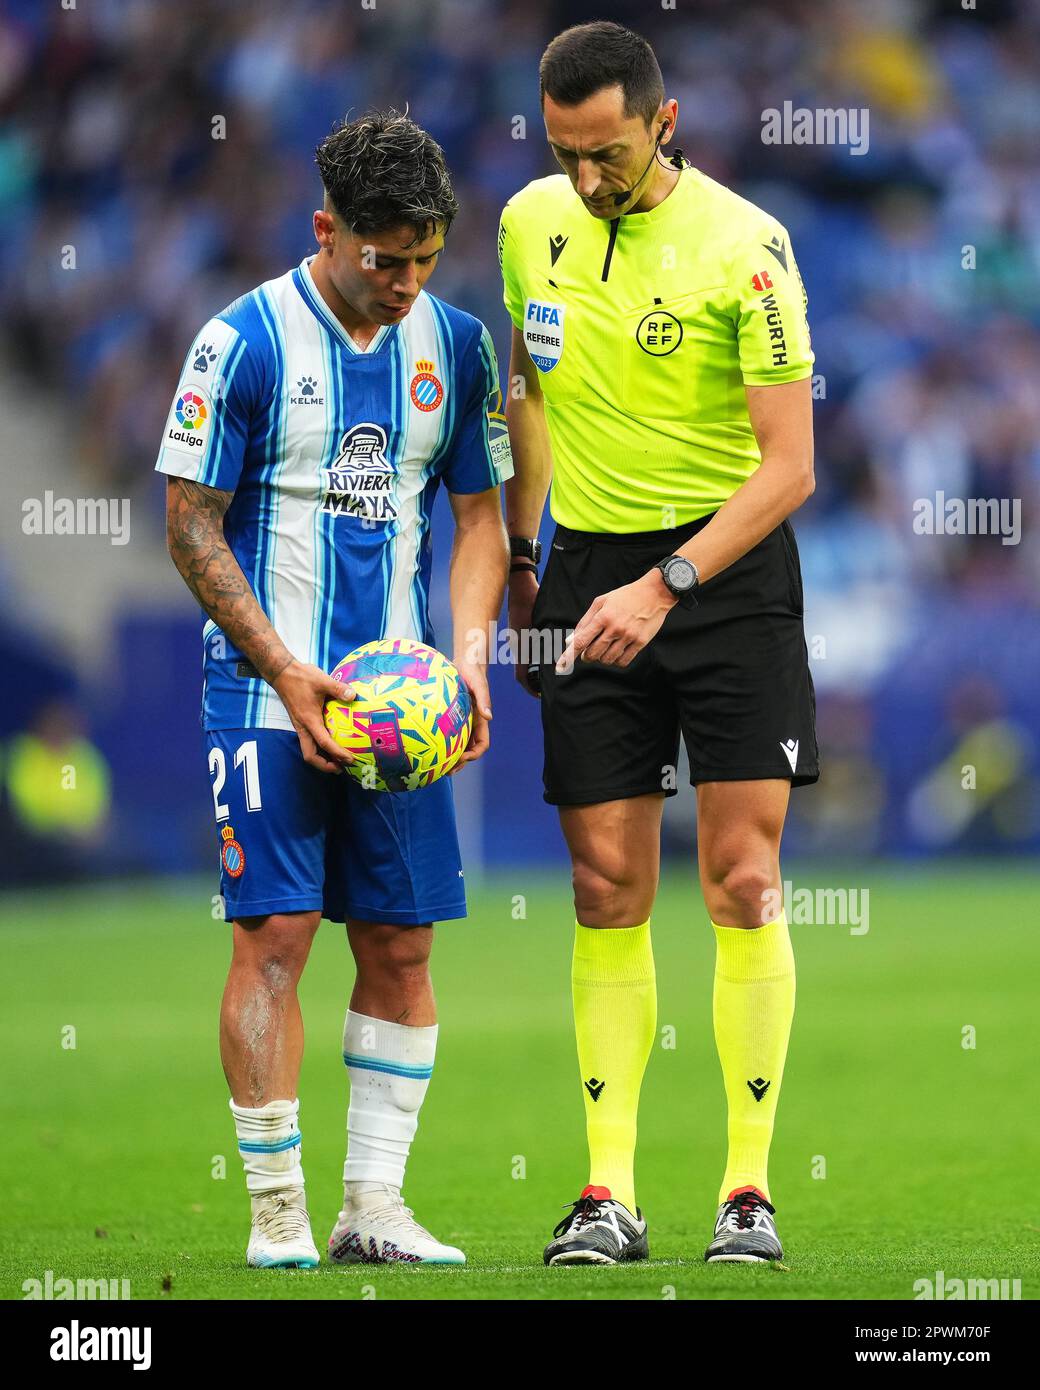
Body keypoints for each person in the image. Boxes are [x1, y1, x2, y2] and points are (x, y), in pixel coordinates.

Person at [157, 110, 510, 1268]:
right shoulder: (241, 341)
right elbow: (190, 527)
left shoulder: (455, 347)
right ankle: (276, 1219)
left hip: (400, 709)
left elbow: (476, 521)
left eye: (424, 256)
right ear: (326, 229)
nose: (407, 280)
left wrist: (464, 657)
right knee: (274, 933)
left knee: (402, 947)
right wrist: (285, 669)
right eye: (384, 257)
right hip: (267, 694)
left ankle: (375, 1207)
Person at [499, 22, 817, 1265]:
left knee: (739, 879)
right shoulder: (529, 226)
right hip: (584, 571)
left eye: (610, 155)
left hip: (723, 576)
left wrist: (668, 583)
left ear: (662, 121)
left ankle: (745, 1192)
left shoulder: (746, 249)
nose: (588, 179)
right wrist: (532, 558)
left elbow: (789, 466)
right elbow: (526, 391)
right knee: (600, 886)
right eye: (566, 153)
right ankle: (606, 1194)